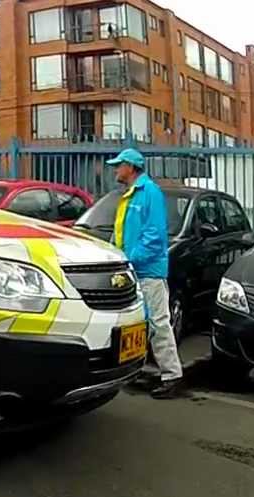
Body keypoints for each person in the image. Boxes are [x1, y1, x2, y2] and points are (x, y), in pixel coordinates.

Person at [105, 148, 184, 399]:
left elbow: (154, 236)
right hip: (133, 269)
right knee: (137, 324)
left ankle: (172, 376)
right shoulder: (131, 195)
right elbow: (121, 232)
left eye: (119, 165)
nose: (116, 169)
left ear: (130, 166)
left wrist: (129, 259)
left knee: (159, 322)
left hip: (147, 271)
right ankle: (139, 369)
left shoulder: (149, 193)